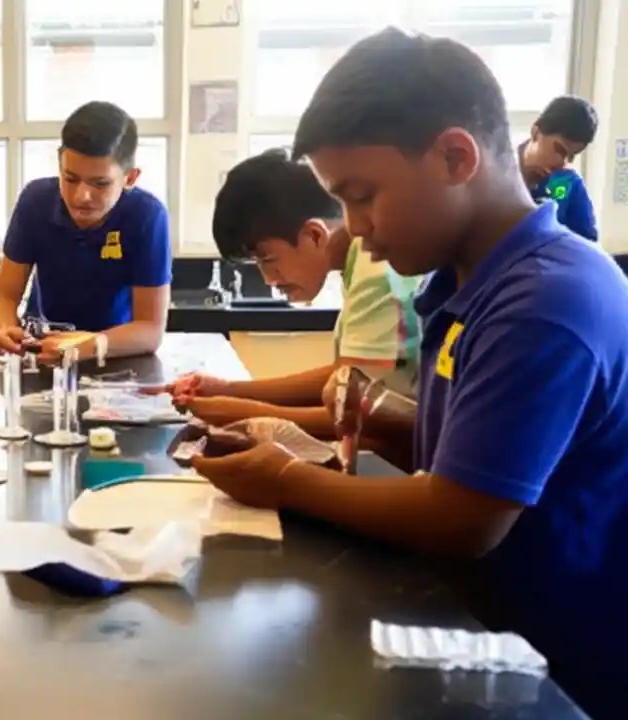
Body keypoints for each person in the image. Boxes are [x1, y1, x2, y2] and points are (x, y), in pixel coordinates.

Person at [190, 28, 628, 718]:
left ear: (455, 156)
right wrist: (389, 426)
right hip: (479, 635)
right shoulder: (467, 282)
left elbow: (462, 518)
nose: (353, 228)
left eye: (363, 196)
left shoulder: (546, 300)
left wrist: (282, 477)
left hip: (554, 674)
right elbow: (479, 456)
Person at [160, 148, 421, 437]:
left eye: (267, 259)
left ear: (315, 235)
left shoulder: (378, 270)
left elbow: (364, 417)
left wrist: (238, 411)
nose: (269, 280)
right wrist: (230, 390)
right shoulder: (359, 262)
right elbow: (347, 375)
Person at [0, 101, 171, 365]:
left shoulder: (147, 216)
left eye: (100, 184)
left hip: (116, 355)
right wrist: (4, 329)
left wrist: (86, 346)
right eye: (70, 179)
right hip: (43, 348)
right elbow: (4, 296)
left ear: (130, 177)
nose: (82, 196)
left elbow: (150, 330)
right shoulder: (35, 201)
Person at [519, 95, 598, 240]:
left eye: (571, 156)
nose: (563, 163)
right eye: (559, 150)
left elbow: (588, 246)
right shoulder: (497, 171)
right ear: (535, 133)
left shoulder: (569, 183)